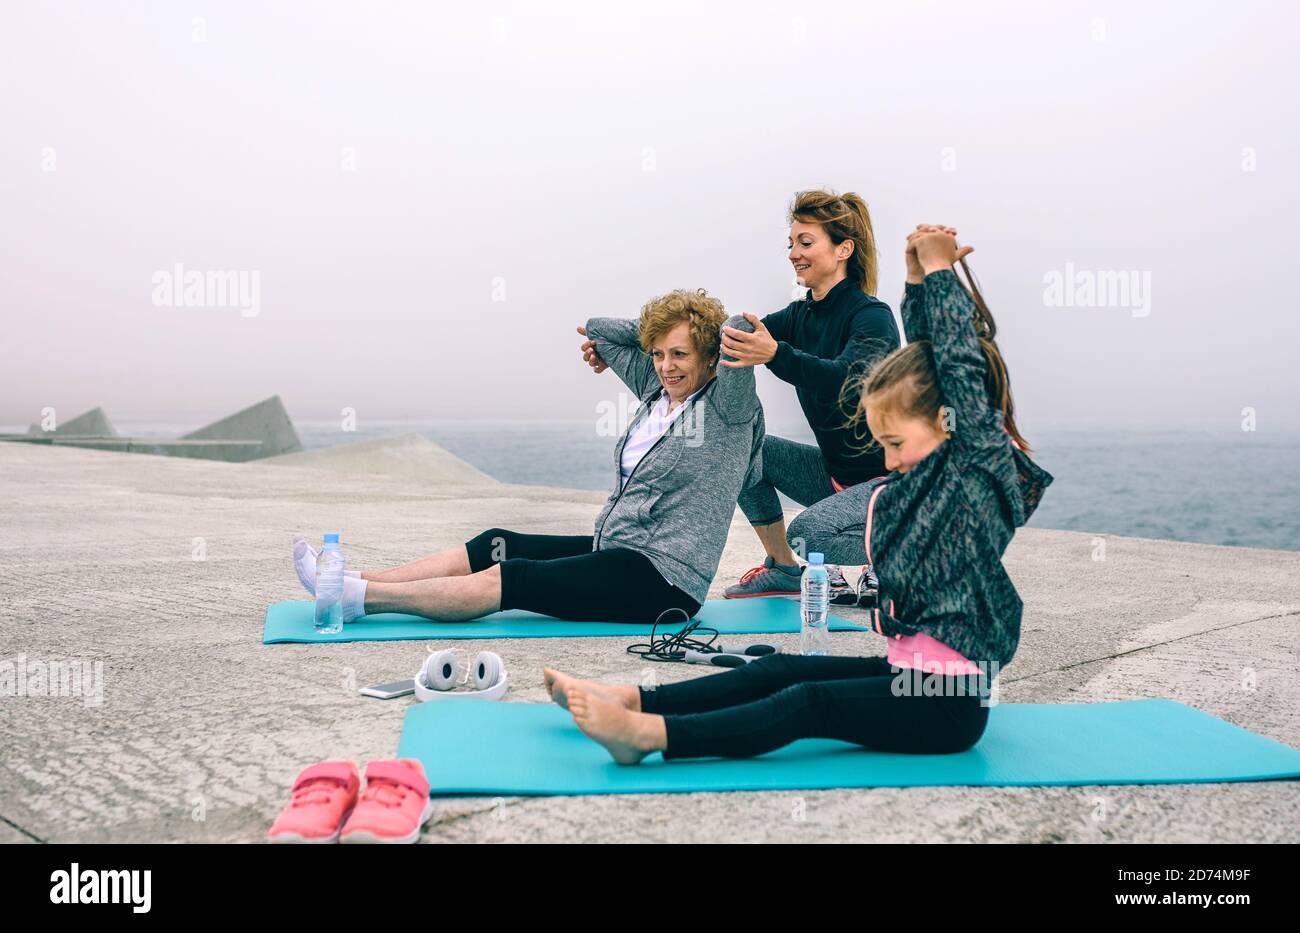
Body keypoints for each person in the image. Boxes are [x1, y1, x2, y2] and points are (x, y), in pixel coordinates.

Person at [544, 225, 1054, 764]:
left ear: (951, 424)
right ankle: (637, 701)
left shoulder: (976, 474)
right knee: (783, 668)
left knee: (810, 702)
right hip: (911, 674)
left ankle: (650, 738)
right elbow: (929, 356)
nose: (888, 460)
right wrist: (915, 279)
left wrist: (941, 272)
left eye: (898, 442)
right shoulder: (929, 477)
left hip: (948, 703)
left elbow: (958, 368)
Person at [292, 289, 763, 626]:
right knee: (498, 542)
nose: (666, 365)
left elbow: (738, 328)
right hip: (616, 552)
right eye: (657, 353)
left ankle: (359, 599)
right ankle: (352, 576)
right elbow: (599, 330)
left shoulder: (727, 406)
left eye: (679, 353)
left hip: (665, 581)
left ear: (710, 354)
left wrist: (717, 329)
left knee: (515, 577)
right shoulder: (657, 391)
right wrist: (659, 331)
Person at [588, 191, 899, 602]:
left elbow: (850, 380)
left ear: (844, 249)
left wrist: (776, 354)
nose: (793, 253)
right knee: (746, 448)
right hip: (838, 477)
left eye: (806, 243)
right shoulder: (800, 315)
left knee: (810, 533)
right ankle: (784, 567)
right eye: (791, 244)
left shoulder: (871, 317)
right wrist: (658, 337)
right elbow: (721, 335)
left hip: (897, 480)